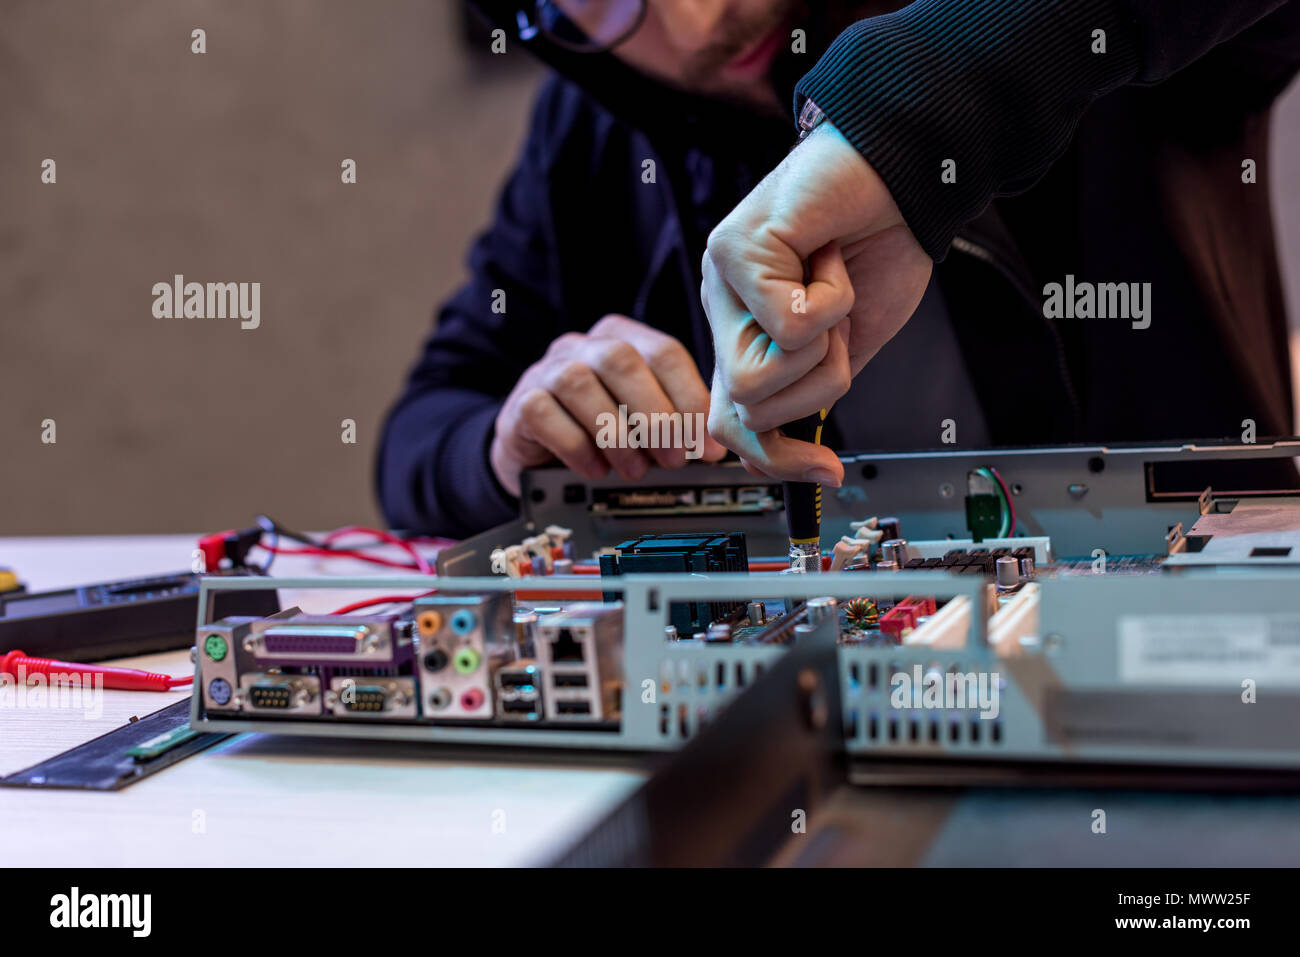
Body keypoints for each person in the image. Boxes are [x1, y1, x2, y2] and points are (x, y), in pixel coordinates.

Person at [378, 0, 1299, 537]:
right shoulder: (586, 136)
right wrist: (510, 445)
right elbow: (423, 427)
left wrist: (918, 109)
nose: (701, 17)